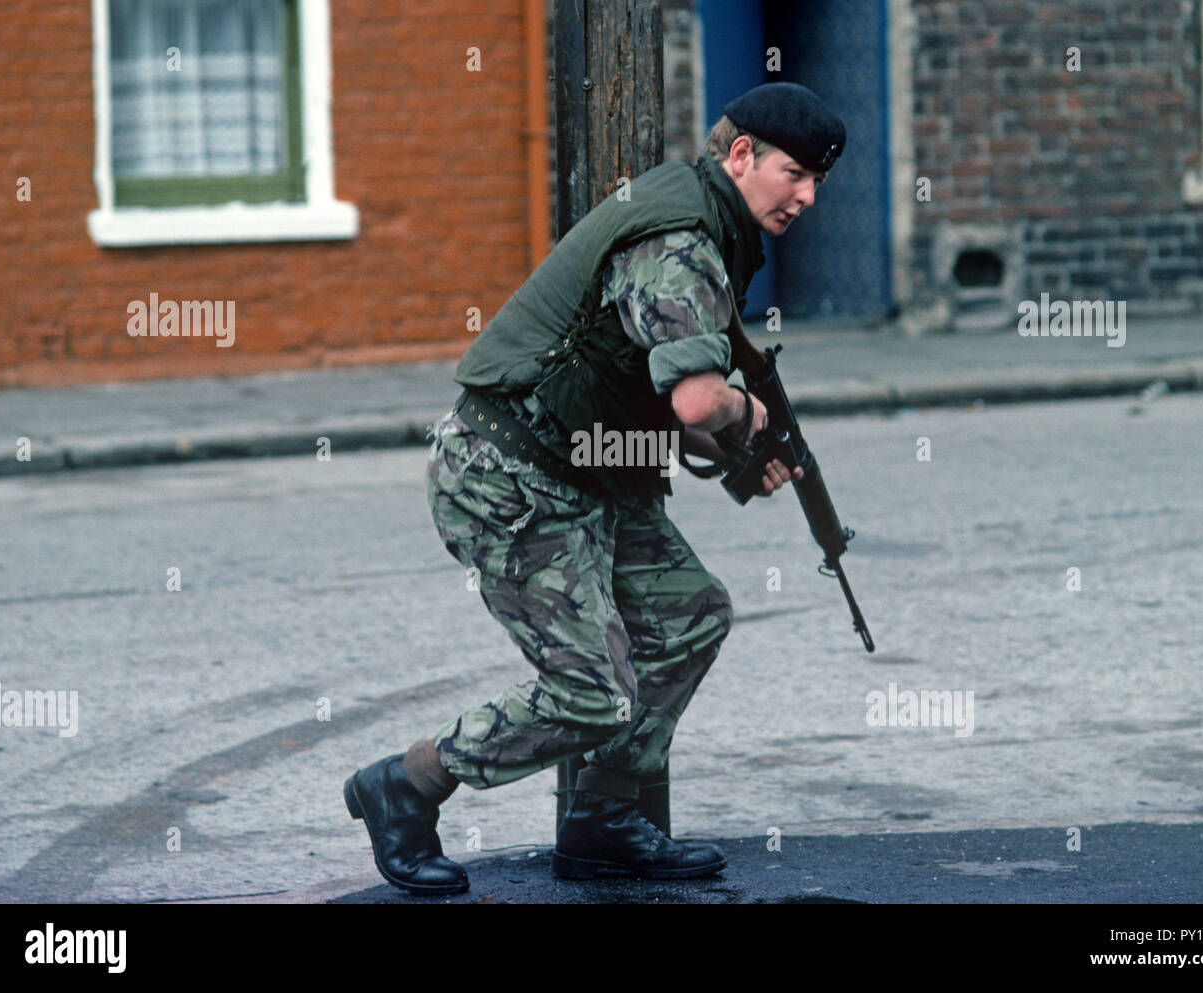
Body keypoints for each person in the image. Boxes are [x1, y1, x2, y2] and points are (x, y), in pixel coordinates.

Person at [343, 82, 847, 895]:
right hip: (506, 476)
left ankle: (601, 816)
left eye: (819, 181)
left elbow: (655, 399)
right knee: (591, 693)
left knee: (691, 618)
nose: (808, 196)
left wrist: (735, 451)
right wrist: (747, 414)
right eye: (794, 173)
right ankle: (405, 785)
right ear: (741, 153)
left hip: (588, 471)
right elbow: (695, 398)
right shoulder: (681, 238)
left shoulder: (709, 224)